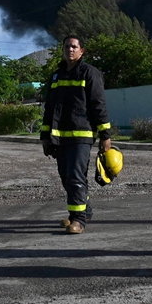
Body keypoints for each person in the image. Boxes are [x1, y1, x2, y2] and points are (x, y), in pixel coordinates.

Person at [41, 35, 112, 234]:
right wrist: (45, 137)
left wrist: (105, 134)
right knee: (66, 177)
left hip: (81, 136)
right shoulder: (56, 76)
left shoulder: (90, 73)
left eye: (74, 47)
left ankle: (78, 220)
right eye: (67, 47)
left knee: (75, 176)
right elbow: (49, 109)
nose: (70, 50)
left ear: (82, 51)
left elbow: (99, 104)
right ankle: (85, 210)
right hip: (60, 137)